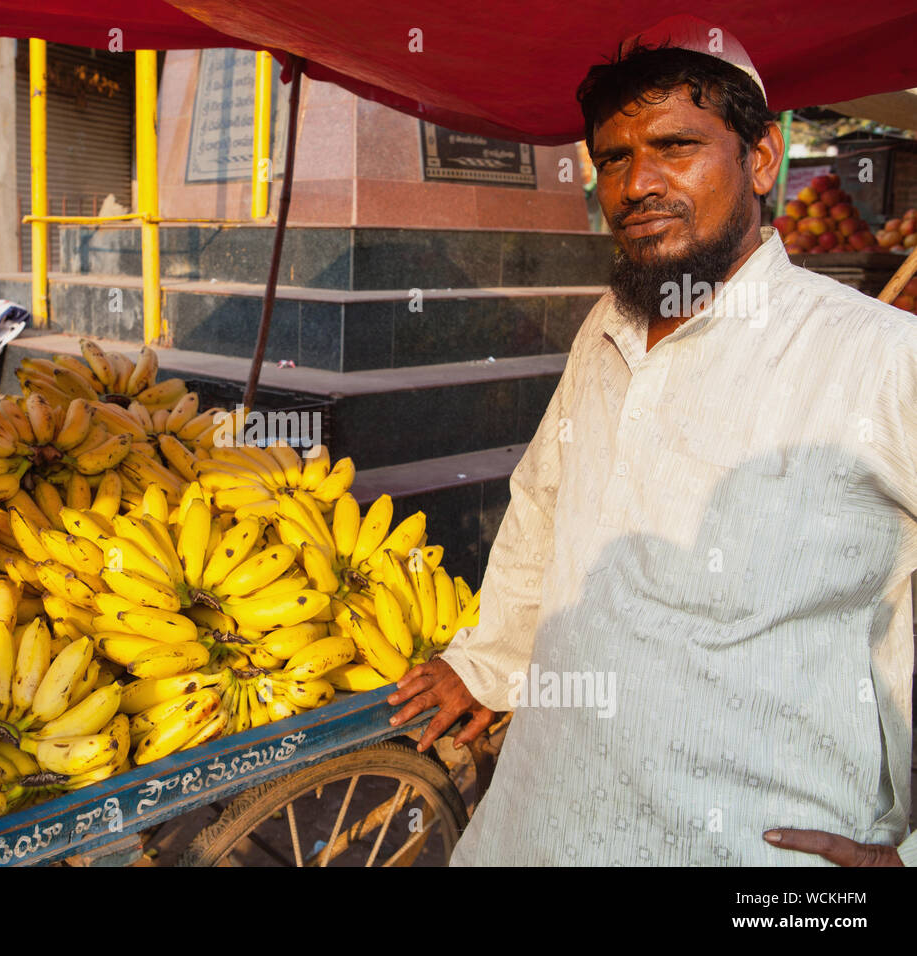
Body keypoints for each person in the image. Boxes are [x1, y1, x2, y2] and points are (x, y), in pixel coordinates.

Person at [389, 14, 915, 867]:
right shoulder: (610, 325)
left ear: (762, 159)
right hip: (542, 819)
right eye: (614, 158)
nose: (637, 184)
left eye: (676, 146)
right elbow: (543, 502)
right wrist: (488, 663)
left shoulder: (880, 357)